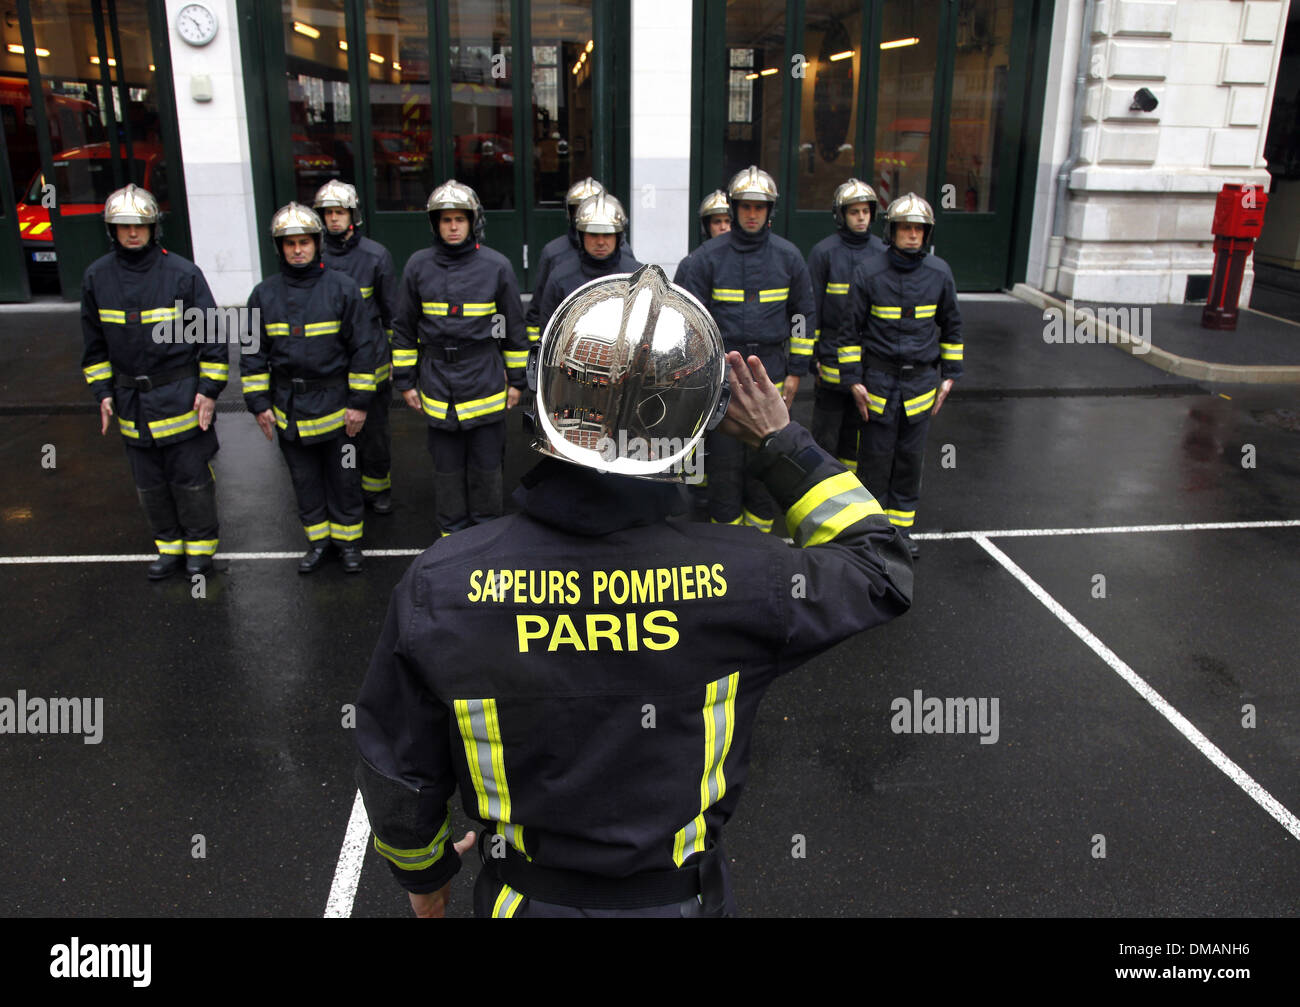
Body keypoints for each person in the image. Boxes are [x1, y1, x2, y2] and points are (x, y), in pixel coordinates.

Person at [354, 264, 912, 917]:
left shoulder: (441, 584)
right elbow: (881, 566)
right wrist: (778, 443)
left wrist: (428, 881)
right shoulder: (752, 577)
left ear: (543, 401)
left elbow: (397, 772)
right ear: (695, 430)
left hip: (521, 903)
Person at [80, 183, 225, 580]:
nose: (131, 233)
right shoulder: (97, 277)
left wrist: (209, 392)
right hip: (132, 404)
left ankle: (200, 551)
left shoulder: (182, 274)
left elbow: (212, 339)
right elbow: (94, 347)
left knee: (191, 480)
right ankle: (169, 548)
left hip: (180, 399)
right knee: (150, 486)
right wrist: (103, 393)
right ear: (111, 230)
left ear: (153, 228)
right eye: (123, 226)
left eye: (139, 226)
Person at [676, 165, 817, 532]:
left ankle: (760, 545)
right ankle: (729, 547)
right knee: (724, 465)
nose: (752, 214)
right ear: (734, 208)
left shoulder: (789, 258)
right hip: (722, 371)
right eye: (745, 206)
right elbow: (690, 323)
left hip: (771, 369)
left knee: (767, 459)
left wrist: (796, 372)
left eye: (760, 207)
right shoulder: (706, 258)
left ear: (770, 211)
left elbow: (803, 315)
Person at [239, 203, 376, 574]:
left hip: (337, 409)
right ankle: (319, 543)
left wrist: (360, 403)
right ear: (279, 248)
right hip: (290, 411)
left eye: (304, 242)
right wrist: (258, 403)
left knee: (345, 477)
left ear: (317, 244)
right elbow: (253, 353)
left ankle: (348, 544)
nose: (297, 249)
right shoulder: (263, 295)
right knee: (305, 481)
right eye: (289, 243)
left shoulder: (343, 289)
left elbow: (364, 348)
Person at [391, 180, 527, 536]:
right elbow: (403, 328)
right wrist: (405, 382)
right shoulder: (417, 267)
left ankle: (485, 541)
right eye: (445, 219)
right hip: (437, 382)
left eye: (459, 219)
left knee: (487, 471)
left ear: (473, 222)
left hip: (483, 377)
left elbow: (514, 329)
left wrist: (517, 382)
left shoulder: (497, 266)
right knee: (447, 473)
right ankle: (451, 541)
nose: (452, 226)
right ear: (434, 223)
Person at [838, 193, 964, 558]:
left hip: (921, 386)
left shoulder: (940, 273)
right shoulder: (868, 273)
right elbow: (849, 333)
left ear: (927, 234)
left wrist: (950, 375)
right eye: (905, 228)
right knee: (874, 462)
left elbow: (952, 326)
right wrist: (854, 381)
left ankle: (901, 532)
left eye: (918, 229)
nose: (912, 235)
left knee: (909, 463)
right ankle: (873, 534)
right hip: (878, 384)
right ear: (891, 231)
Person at [314, 180, 399, 514]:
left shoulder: (375, 256)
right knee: (342, 437)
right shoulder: (313, 256)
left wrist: (394, 359)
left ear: (353, 215)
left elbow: (392, 313)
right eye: (328, 213)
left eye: (340, 212)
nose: (334, 219)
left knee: (374, 434)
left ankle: (377, 487)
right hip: (331, 366)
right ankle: (347, 489)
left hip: (372, 362)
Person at [807, 179, 886, 471]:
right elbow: (810, 308)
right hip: (830, 356)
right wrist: (812, 357)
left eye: (866, 211)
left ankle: (851, 490)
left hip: (869, 358)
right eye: (854, 212)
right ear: (841, 215)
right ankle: (823, 485)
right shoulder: (824, 253)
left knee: (858, 432)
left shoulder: (883, 252)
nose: (862, 217)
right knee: (827, 430)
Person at [533, 192, 641, 336]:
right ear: (581, 235)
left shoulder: (639, 276)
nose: (601, 242)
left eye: (607, 234)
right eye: (593, 234)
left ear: (619, 236)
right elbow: (548, 334)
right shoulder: (560, 278)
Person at [524, 176, 604, 344]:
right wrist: (537, 351)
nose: (585, 215)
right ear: (569, 213)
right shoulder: (553, 253)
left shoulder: (622, 252)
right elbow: (538, 310)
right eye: (579, 209)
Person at [671, 188, 730, 288]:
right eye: (717, 222)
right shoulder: (689, 264)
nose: (723, 227)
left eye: (728, 221)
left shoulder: (744, 259)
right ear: (707, 226)